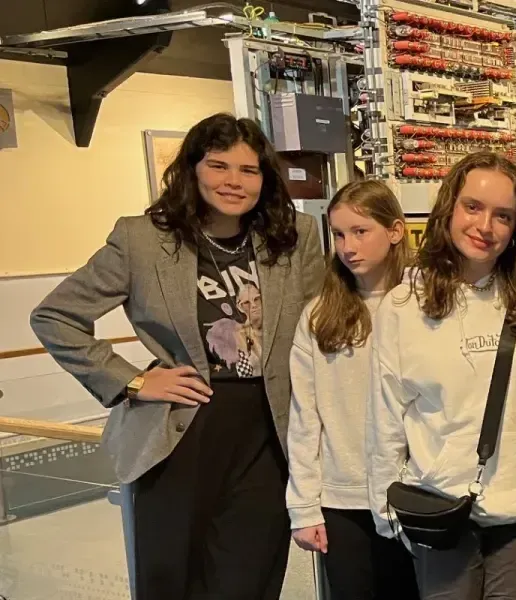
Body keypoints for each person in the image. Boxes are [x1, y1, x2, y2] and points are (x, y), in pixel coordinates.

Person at [31, 113, 324, 598]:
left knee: (249, 579)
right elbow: (54, 316)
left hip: (269, 434)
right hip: (179, 430)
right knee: (171, 578)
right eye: (218, 165)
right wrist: (131, 380)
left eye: (248, 170)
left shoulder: (294, 237)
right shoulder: (142, 240)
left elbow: (318, 326)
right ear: (192, 169)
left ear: (265, 178)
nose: (233, 181)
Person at [367, 152, 516, 599]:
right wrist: (385, 510)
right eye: (473, 207)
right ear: (449, 207)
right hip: (439, 510)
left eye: (502, 215)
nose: (485, 226)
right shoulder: (402, 307)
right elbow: (385, 417)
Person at [287, 180, 420, 599]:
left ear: (395, 231)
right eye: (339, 234)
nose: (348, 247)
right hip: (343, 501)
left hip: (417, 494)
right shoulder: (320, 314)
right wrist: (303, 506)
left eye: (360, 231)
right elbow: (305, 418)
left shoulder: (425, 304)